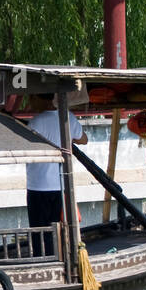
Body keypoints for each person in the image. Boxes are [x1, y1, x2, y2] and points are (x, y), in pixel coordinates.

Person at [24, 96, 87, 256]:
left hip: (38, 185)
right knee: (60, 227)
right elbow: (84, 139)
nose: (29, 102)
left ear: (44, 99)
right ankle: (61, 257)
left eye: (32, 98)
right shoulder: (67, 117)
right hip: (61, 184)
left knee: (40, 230)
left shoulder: (35, 123)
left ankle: (44, 260)